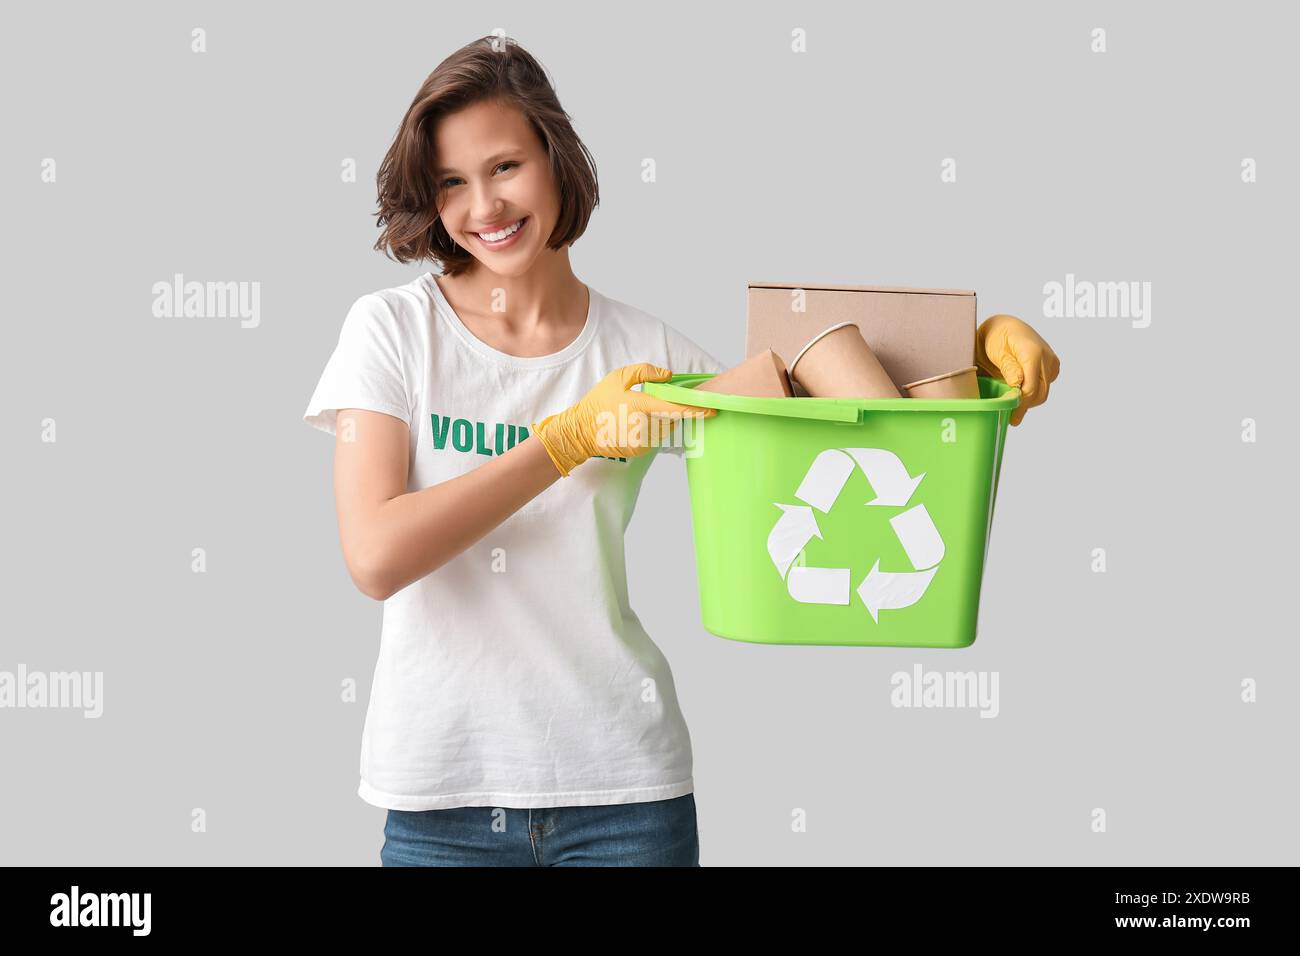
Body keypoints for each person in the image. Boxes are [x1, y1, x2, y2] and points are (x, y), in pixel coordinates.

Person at [303, 34, 1058, 868]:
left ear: (557, 161)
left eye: (506, 166)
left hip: (624, 797)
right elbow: (374, 555)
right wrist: (567, 439)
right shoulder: (394, 332)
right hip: (439, 797)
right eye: (451, 182)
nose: (484, 205)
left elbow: (832, 418)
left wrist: (970, 356)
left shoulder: (639, 347)